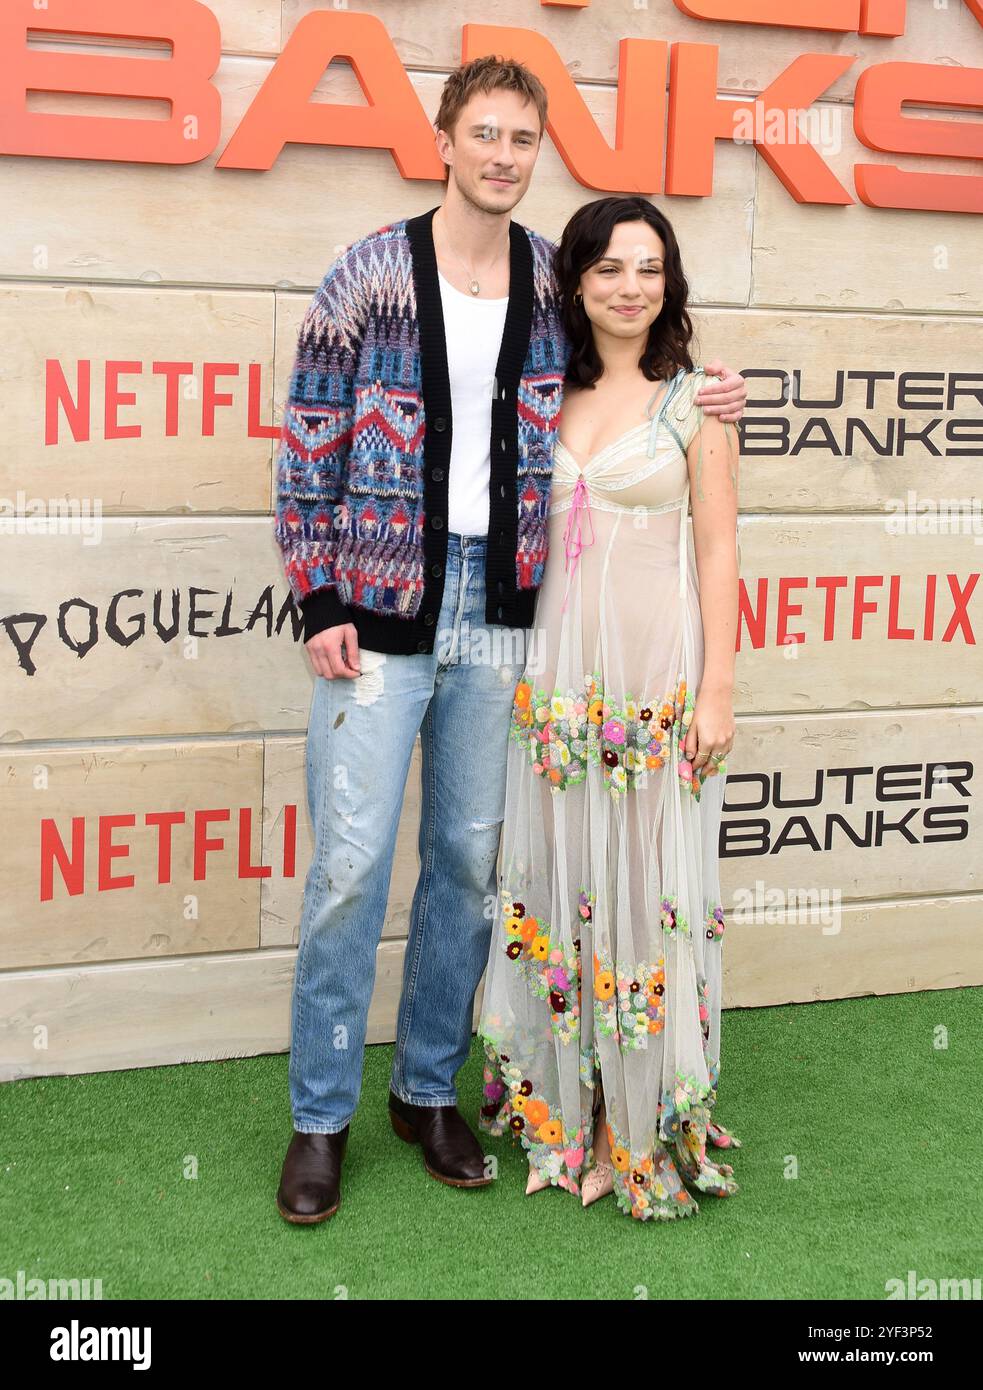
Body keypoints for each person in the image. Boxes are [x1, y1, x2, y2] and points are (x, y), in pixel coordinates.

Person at [272, 55, 748, 1224]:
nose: (500, 155)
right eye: (482, 133)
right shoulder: (366, 272)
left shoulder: (551, 275)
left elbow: (628, 366)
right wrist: (320, 595)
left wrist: (707, 389)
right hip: (377, 616)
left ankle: (427, 1088)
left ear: (538, 152)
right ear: (442, 139)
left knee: (469, 866)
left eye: (521, 139)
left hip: (503, 617)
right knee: (346, 868)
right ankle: (320, 1116)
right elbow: (308, 438)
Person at [477, 195, 743, 1221]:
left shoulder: (695, 404)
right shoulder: (543, 393)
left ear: (667, 282)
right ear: (574, 282)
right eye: (608, 269)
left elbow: (718, 550)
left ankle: (626, 1122)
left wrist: (716, 689)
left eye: (648, 267)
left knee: (642, 886)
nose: (630, 286)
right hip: (553, 687)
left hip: (653, 682)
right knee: (561, 876)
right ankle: (560, 1098)